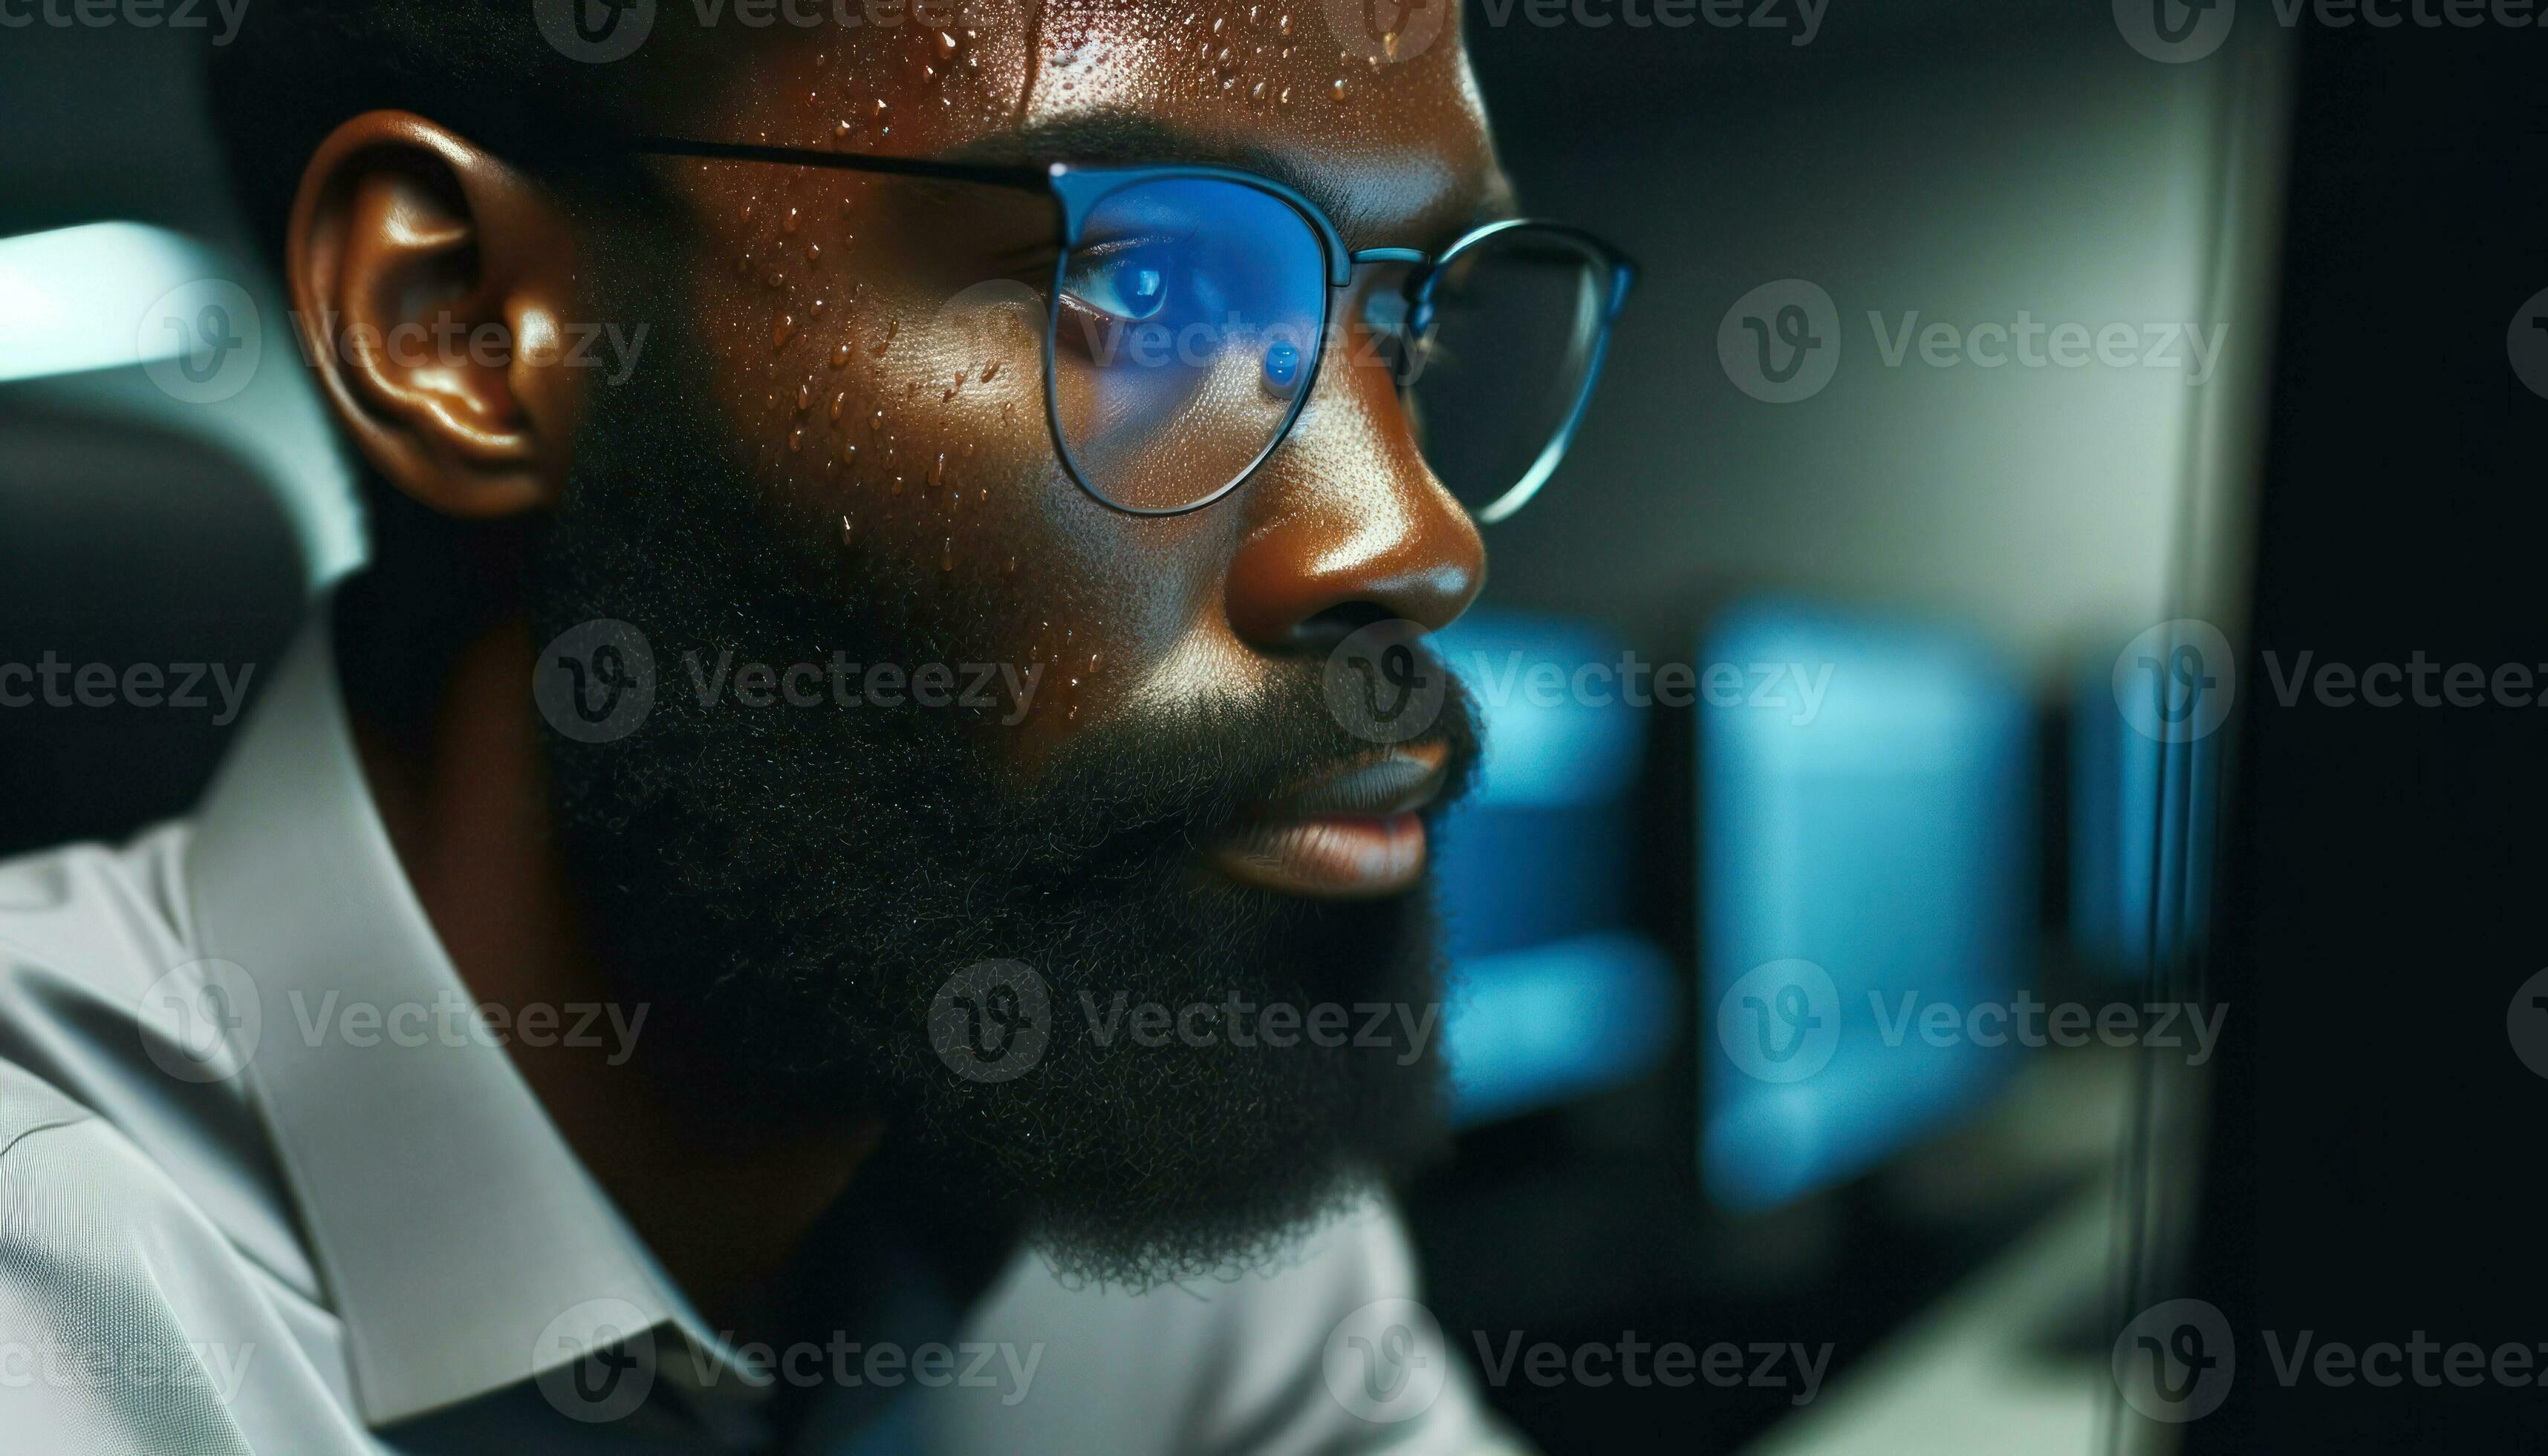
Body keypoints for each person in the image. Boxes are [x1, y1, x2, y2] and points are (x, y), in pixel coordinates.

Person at [0, 1, 1631, 1447]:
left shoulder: (1135, 1080)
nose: (1415, 538)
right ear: (465, 324)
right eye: (1144, 284)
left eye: (1414, 328)